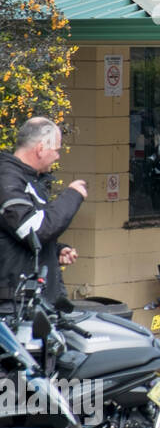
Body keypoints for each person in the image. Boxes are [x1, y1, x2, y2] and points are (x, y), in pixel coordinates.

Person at [0, 117, 87, 305]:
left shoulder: (30, 180)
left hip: (32, 301)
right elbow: (34, 230)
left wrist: (54, 251)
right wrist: (72, 195)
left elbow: (23, 237)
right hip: (14, 306)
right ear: (40, 149)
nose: (58, 157)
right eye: (56, 150)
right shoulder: (8, 180)